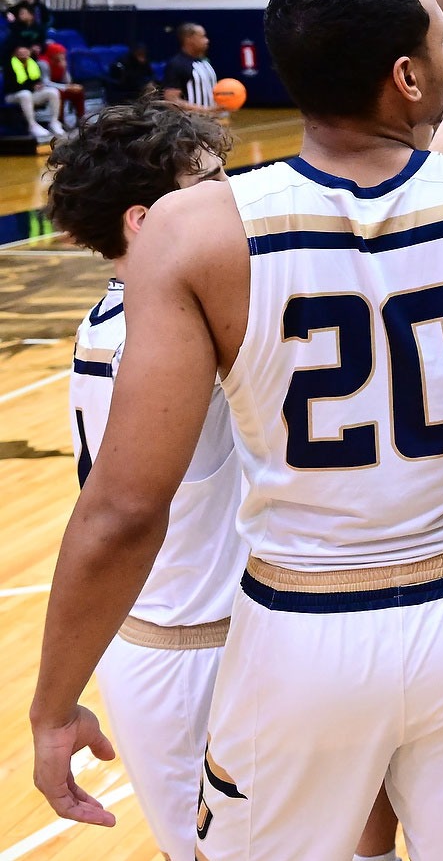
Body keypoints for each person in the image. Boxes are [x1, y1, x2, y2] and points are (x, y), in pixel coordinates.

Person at [30, 0, 443, 859]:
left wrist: (52, 701)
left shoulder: (195, 233)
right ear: (411, 77)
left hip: (300, 627)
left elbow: (120, 508)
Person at [43, 97, 243, 861]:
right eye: (211, 181)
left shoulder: (133, 311)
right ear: (142, 222)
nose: (234, 196)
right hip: (186, 648)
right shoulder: (159, 332)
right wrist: (51, 707)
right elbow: (121, 516)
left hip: (211, 635)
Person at [5, 39, 66, 142]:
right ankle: (32, 125)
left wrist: (39, 85)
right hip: (12, 96)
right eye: (21, 53)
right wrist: (32, 86)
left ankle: (54, 122)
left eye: (25, 52)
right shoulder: (9, 65)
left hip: (30, 94)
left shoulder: (33, 64)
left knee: (52, 91)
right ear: (16, 53)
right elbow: (13, 87)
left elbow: (36, 81)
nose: (24, 54)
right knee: (25, 93)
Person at [160, 22, 219, 113]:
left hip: (210, 122)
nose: (207, 40)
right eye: (202, 37)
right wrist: (205, 110)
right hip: (190, 124)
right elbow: (171, 101)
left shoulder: (205, 61)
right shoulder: (177, 64)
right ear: (189, 39)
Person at [42, 41, 89, 127]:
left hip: (60, 86)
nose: (62, 55)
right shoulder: (44, 63)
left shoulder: (62, 62)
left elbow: (67, 81)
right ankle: (61, 121)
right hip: (47, 88)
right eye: (59, 53)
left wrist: (64, 68)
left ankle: (81, 119)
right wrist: (66, 87)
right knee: (60, 94)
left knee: (78, 91)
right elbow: (45, 83)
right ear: (53, 54)